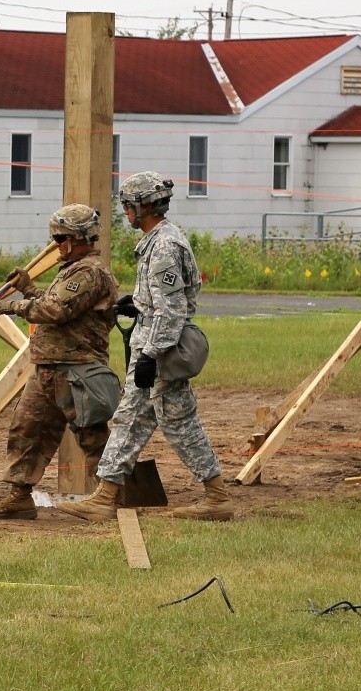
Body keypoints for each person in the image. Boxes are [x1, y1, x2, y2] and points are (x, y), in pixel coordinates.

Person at [60, 171, 232, 522]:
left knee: (180, 424)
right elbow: (161, 301)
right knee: (129, 420)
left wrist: (152, 355)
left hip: (160, 353)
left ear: (144, 207)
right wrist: (136, 304)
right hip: (151, 349)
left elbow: (173, 309)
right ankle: (105, 497)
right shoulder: (157, 241)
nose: (125, 214)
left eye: (127, 207)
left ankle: (217, 497)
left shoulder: (164, 246)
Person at [0, 204, 120, 519]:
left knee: (92, 435)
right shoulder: (72, 269)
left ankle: (115, 496)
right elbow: (55, 302)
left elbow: (56, 311)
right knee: (27, 430)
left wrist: (16, 305)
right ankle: (19, 496)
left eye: (61, 238)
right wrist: (28, 288)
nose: (56, 244)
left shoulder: (90, 271)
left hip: (76, 369)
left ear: (79, 238)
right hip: (49, 367)